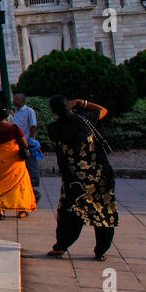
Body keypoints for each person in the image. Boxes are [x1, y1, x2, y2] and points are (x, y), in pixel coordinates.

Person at [46, 96, 118, 261]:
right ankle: (101, 250)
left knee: (70, 211)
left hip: (74, 177)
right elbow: (103, 110)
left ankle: (61, 246)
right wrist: (81, 103)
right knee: (103, 210)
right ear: (69, 107)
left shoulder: (54, 128)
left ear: (54, 111)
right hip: (97, 174)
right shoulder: (85, 120)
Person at [11, 92, 41, 203]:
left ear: (22, 101)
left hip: (27, 141)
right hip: (16, 142)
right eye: (15, 99)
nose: (15, 101)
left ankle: (33, 181)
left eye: (17, 99)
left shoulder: (29, 111)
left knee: (30, 162)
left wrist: (31, 140)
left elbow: (33, 125)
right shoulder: (15, 112)